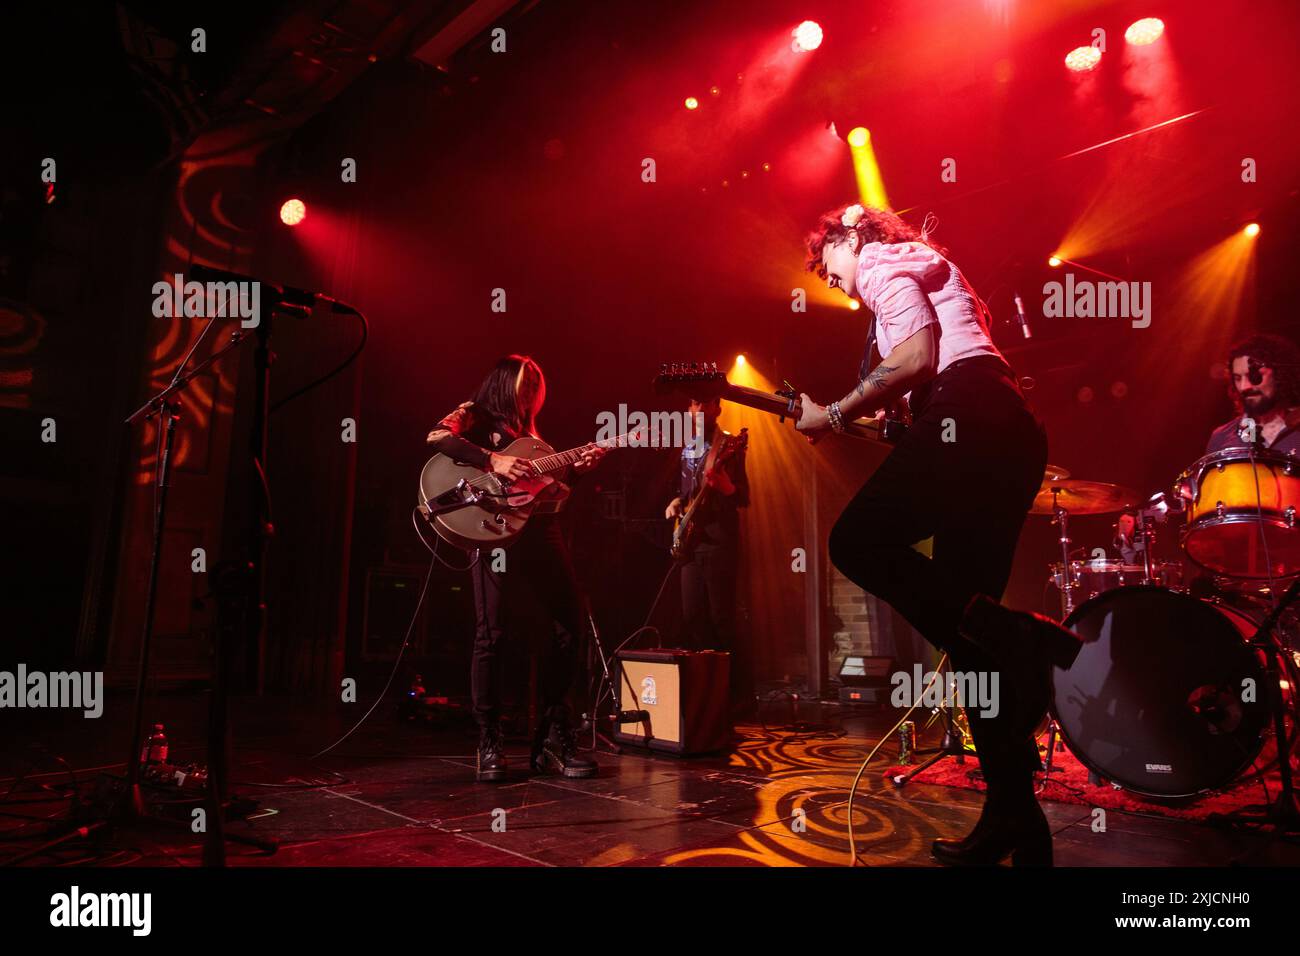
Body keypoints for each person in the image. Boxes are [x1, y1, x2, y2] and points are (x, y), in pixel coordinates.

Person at [797, 203, 1081, 866]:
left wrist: (835, 409)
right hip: (1002, 429)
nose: (827, 278)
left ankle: (1021, 634)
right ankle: (1015, 820)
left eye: (825, 261)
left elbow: (921, 358)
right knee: (971, 644)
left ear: (847, 237)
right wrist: (841, 419)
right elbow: (922, 386)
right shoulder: (919, 271)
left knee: (855, 542)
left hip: (972, 417)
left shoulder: (880, 262)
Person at [425, 355, 605, 782]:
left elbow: (551, 493)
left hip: (539, 528)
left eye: (535, 390)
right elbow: (436, 437)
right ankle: (489, 742)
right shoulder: (475, 414)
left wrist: (577, 474)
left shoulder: (532, 438)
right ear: (504, 383)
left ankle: (551, 742)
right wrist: (493, 461)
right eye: (524, 387)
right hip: (491, 525)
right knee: (493, 632)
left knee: (569, 624)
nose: (529, 396)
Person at [664, 397, 749, 702]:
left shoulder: (728, 444)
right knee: (692, 616)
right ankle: (706, 691)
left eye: (702, 405)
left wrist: (726, 487)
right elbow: (682, 488)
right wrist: (675, 502)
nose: (696, 411)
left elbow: (743, 496)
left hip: (718, 540)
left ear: (716, 408)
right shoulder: (687, 446)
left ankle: (735, 695)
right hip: (690, 541)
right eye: (691, 405)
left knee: (721, 618)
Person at [1206, 333, 1300, 453]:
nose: (1244, 387)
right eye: (1238, 378)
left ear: (1279, 374)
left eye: (1254, 376)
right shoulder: (1221, 437)